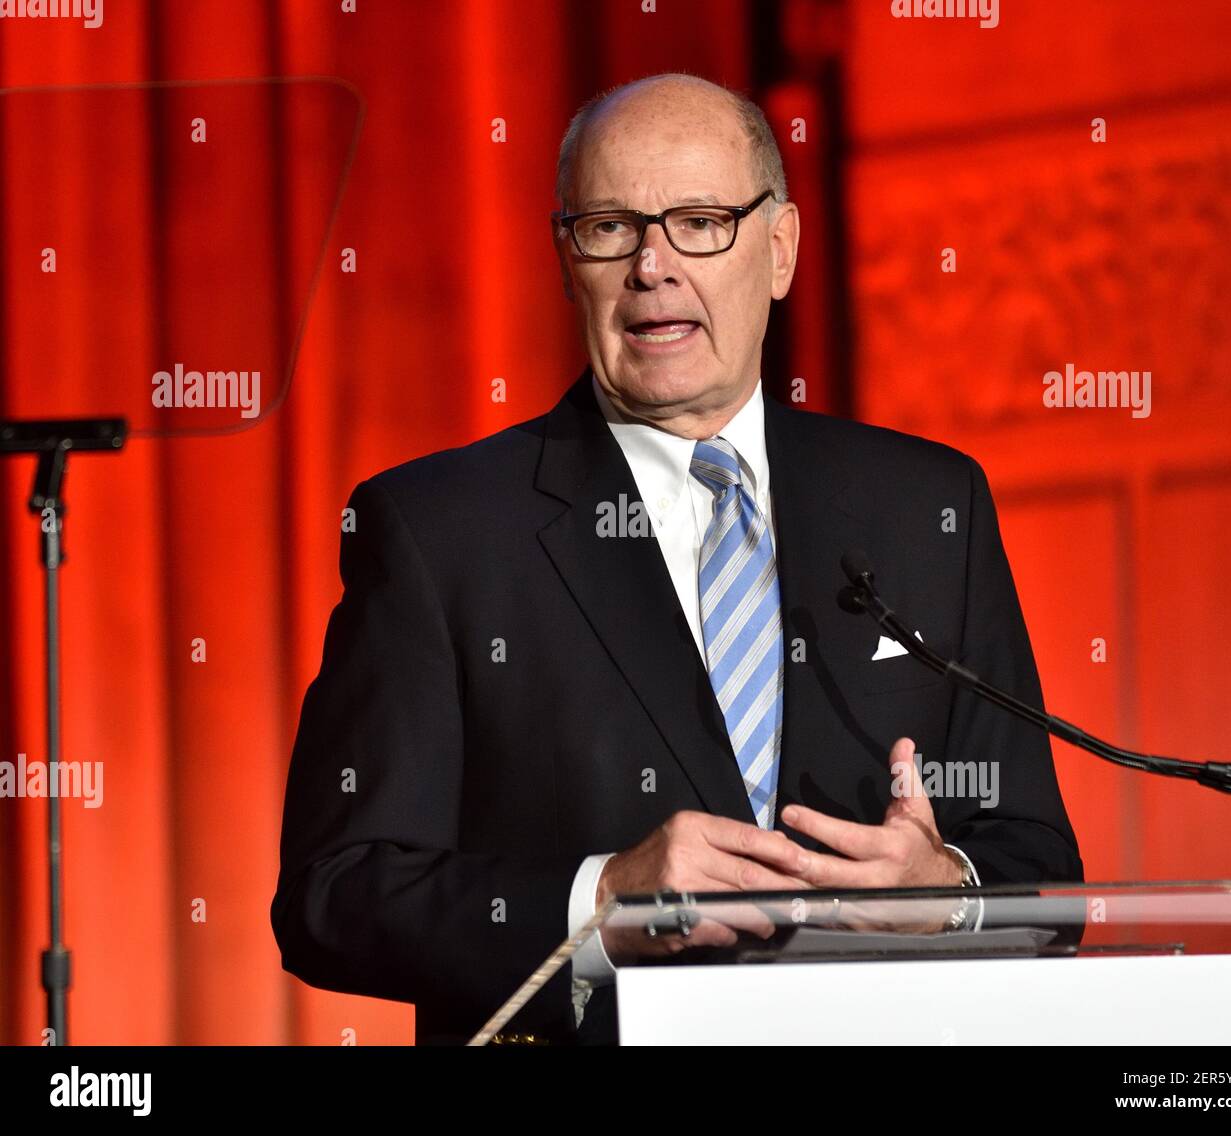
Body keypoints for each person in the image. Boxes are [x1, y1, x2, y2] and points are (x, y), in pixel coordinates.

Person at [271, 72, 1083, 1046]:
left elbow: (1036, 868)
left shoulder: (926, 505)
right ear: (566, 257)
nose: (652, 265)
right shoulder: (439, 529)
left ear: (778, 248)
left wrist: (946, 892)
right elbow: (333, 894)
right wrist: (599, 897)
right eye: (611, 227)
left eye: (700, 221)